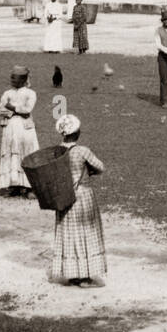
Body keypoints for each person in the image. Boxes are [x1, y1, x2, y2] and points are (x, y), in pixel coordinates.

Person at [52, 114, 108, 286]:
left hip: (63, 196)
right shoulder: (83, 151)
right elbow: (100, 167)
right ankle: (85, 276)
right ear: (77, 133)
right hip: (82, 196)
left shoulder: (56, 152)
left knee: (69, 233)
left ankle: (72, 273)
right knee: (86, 233)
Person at [0, 67, 39, 197]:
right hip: (10, 127)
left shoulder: (30, 93)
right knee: (11, 152)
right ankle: (13, 185)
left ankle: (28, 187)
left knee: (27, 152)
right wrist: (14, 110)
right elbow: (1, 109)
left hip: (25, 128)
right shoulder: (7, 93)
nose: (11, 80)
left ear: (22, 80)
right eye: (11, 77)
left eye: (14, 78)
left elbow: (27, 109)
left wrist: (12, 107)